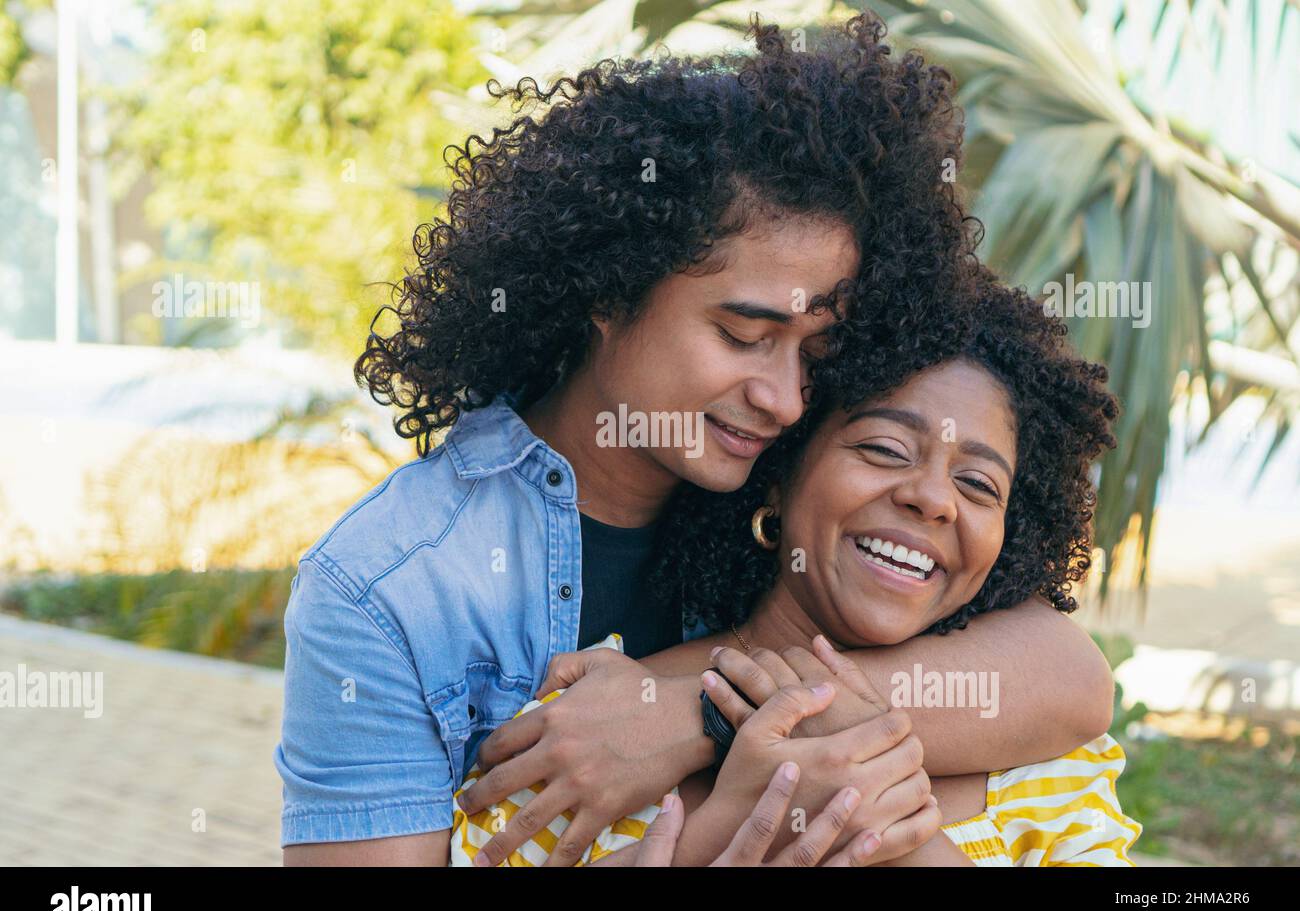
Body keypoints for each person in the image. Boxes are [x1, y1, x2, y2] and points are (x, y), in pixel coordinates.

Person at [276, 14, 1114, 867]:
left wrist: (693, 714)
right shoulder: (391, 586)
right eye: (744, 334)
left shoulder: (790, 490)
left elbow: (1065, 673)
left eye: (816, 353)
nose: (784, 398)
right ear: (611, 288)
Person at [451, 271, 1141, 866]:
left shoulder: (1044, 760)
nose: (932, 498)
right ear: (778, 477)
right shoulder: (591, 738)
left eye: (980, 486)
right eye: (884, 448)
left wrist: (889, 827)